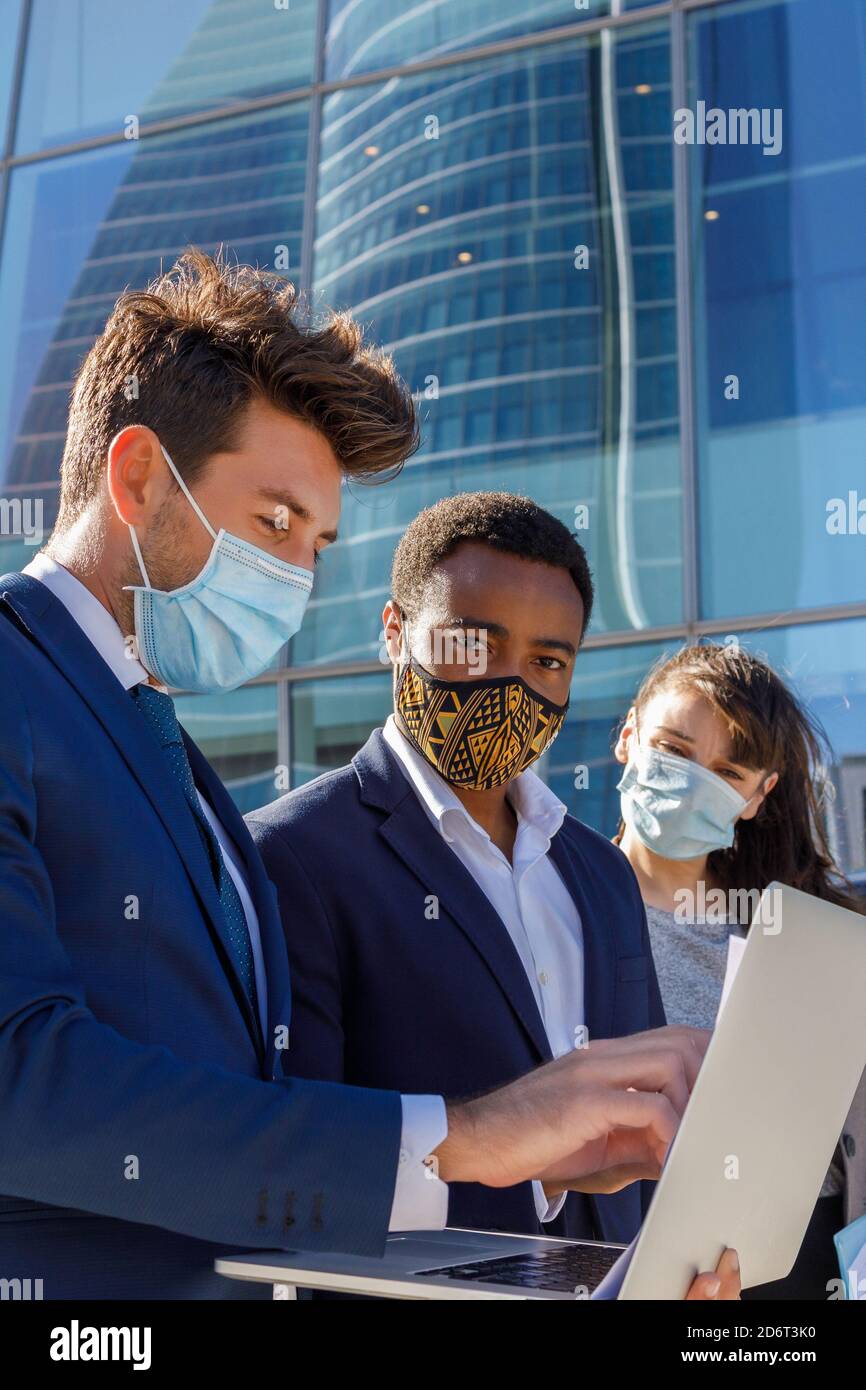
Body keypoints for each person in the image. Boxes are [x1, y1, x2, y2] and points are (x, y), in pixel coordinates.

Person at [0, 249, 730, 1300]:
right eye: (274, 522)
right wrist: (465, 1136)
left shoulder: (178, 769)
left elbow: (257, 1117)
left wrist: (541, 1164)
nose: (295, 576)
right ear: (139, 476)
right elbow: (22, 1080)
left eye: (318, 543)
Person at [247, 492, 740, 1298]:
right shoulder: (289, 856)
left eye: (548, 662)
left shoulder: (603, 873)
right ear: (395, 631)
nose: (510, 684)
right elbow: (291, 1159)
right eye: (474, 644)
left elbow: (648, 1135)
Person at [612, 641, 866, 1299]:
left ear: (760, 795)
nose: (692, 780)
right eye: (672, 750)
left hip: (805, 1255)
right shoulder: (566, 909)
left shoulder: (801, 925)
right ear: (628, 737)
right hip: (648, 1251)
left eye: (728, 771)